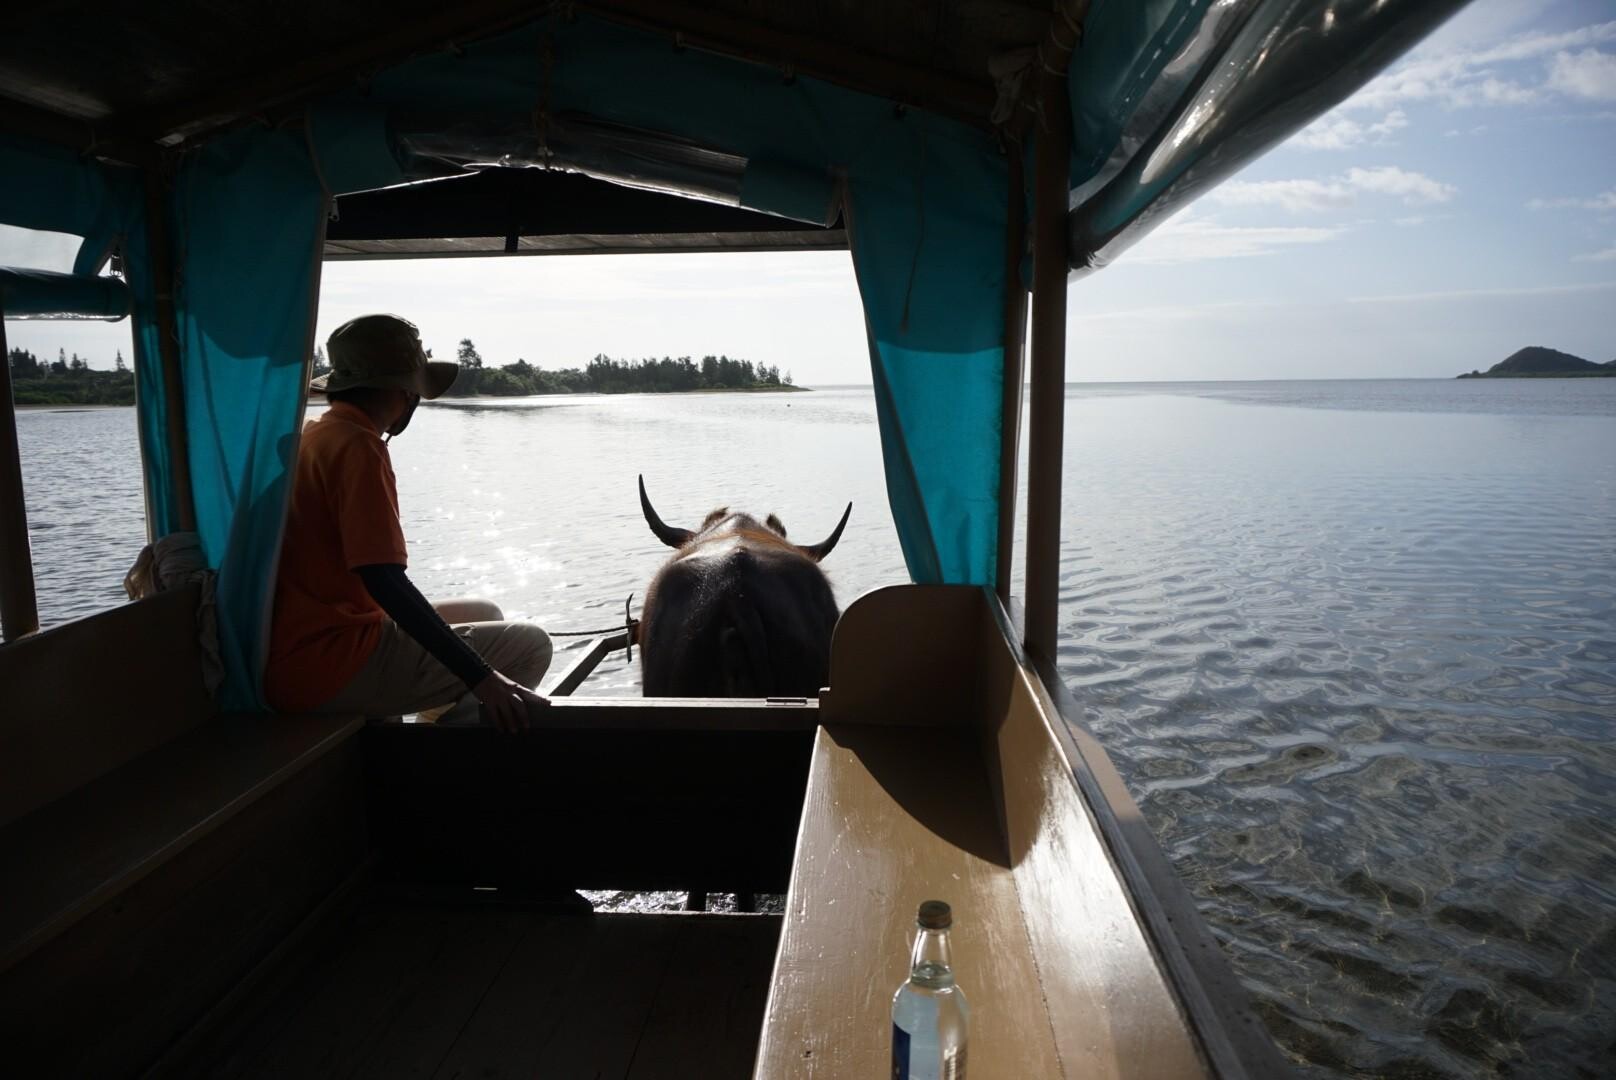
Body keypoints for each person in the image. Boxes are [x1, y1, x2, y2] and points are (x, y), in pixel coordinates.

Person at [264, 314, 550, 731]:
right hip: (329, 664)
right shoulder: (360, 448)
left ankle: (432, 723)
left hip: (299, 646)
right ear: (405, 391)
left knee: (483, 610)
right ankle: (437, 764)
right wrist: (483, 679)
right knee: (531, 646)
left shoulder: (316, 434)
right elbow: (384, 580)